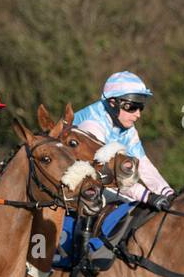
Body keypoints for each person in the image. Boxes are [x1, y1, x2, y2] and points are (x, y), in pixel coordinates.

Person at [73, 70, 174, 209]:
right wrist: (147, 196)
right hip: (74, 185)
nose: (138, 114)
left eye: (140, 107)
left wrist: (168, 193)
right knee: (133, 206)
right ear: (113, 102)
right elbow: (106, 174)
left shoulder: (128, 128)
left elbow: (143, 165)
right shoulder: (92, 125)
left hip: (98, 181)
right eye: (132, 107)